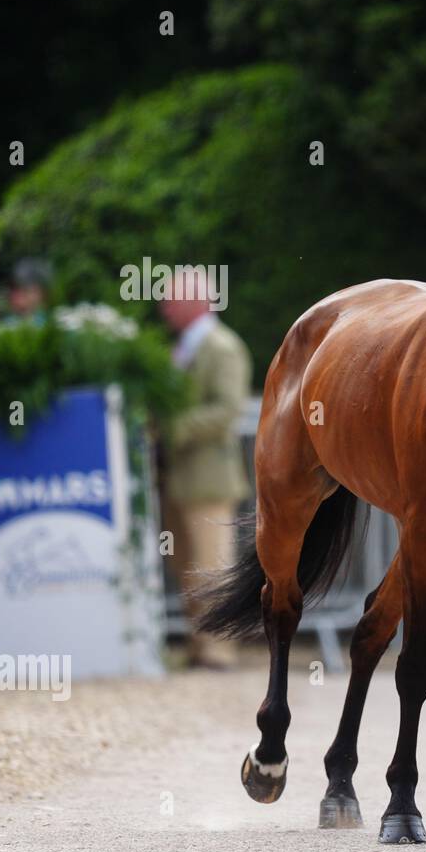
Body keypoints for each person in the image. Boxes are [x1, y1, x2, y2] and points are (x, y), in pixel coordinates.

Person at [158, 274, 252, 670]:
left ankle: (219, 649)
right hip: (179, 476)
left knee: (213, 564)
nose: (164, 307)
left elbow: (228, 408)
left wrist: (174, 427)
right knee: (185, 564)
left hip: (210, 476)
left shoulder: (222, 347)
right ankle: (200, 644)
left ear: (197, 301)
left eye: (171, 299)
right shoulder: (180, 349)